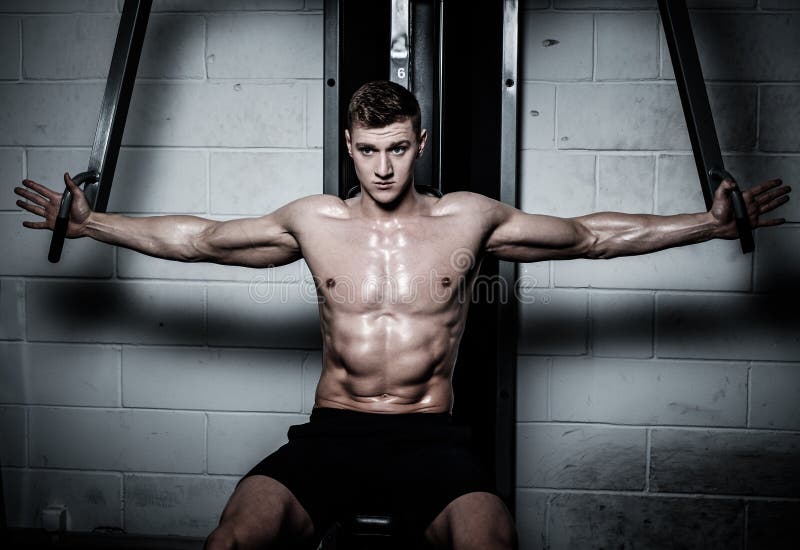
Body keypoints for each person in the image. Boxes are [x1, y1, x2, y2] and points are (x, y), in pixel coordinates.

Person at [14, 80, 790, 550]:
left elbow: (590, 237)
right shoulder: (316, 222)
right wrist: (91, 224)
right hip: (332, 431)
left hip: (430, 437)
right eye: (365, 150)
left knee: (492, 541)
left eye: (396, 148)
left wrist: (708, 223)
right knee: (231, 540)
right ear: (346, 147)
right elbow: (200, 240)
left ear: (420, 141)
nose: (382, 168)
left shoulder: (468, 219)